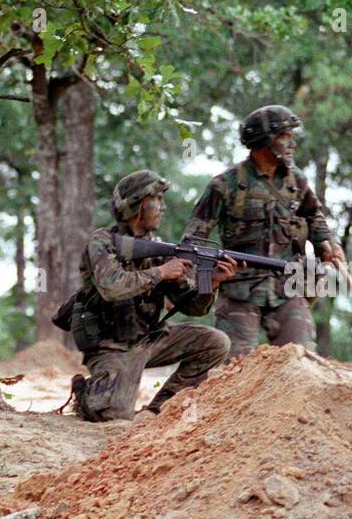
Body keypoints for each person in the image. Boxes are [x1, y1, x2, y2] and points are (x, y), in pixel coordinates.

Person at [64, 170, 236, 422]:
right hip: (112, 347)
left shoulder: (160, 249)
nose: (163, 208)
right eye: (157, 200)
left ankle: (161, 409)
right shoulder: (102, 242)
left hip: (150, 339)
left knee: (216, 342)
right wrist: (160, 273)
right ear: (137, 205)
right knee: (113, 415)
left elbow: (193, 308)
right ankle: (88, 394)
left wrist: (212, 281)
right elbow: (112, 287)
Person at [181, 105, 347, 360]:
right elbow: (193, 240)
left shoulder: (296, 181)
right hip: (239, 291)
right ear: (263, 141)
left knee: (303, 364)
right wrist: (199, 284)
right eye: (284, 136)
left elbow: (314, 216)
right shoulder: (225, 185)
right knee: (234, 371)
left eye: (292, 136)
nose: (292, 143)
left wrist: (327, 241)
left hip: (287, 288)